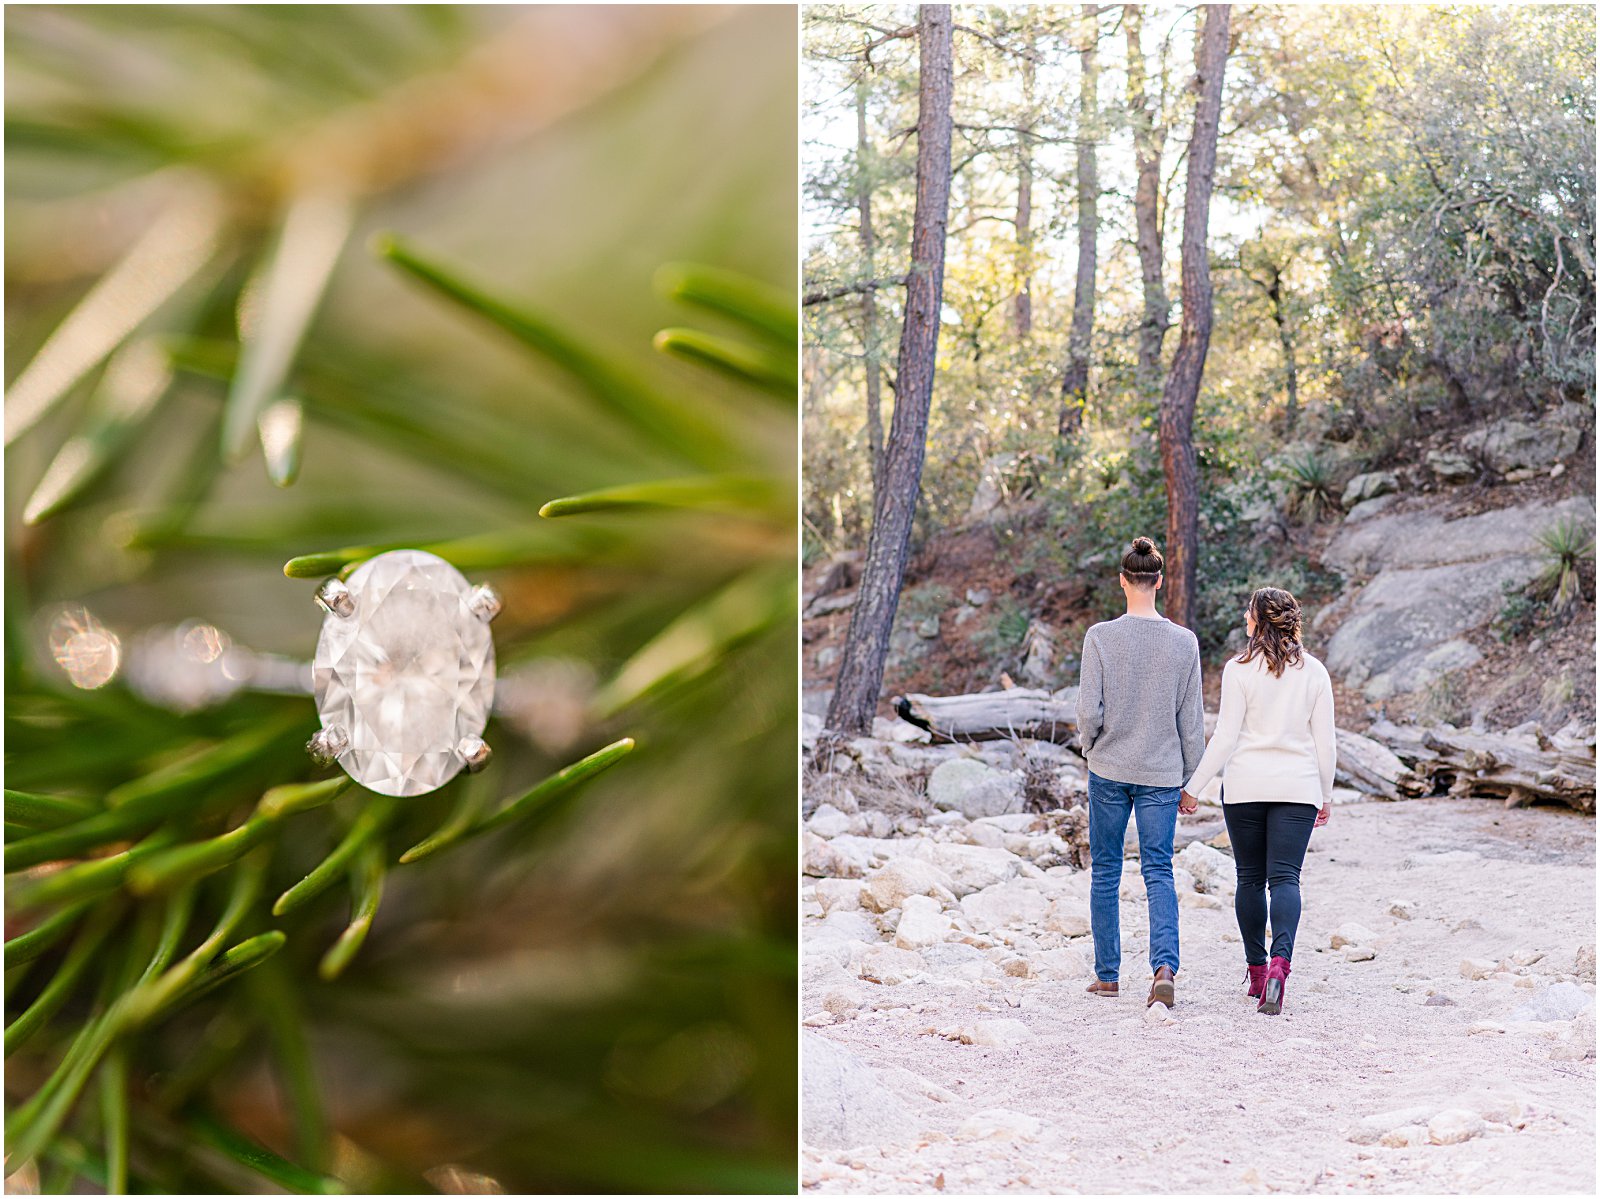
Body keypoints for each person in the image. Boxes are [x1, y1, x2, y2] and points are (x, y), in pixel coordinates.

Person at [1181, 586, 1335, 1016]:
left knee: (1249, 878)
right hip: (1298, 788)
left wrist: (1194, 787)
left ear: (1259, 621)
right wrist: (1326, 794)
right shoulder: (1315, 672)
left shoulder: (1238, 669)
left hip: (1246, 786)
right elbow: (1326, 742)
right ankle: (1281, 966)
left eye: (1248, 614)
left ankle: (1257, 972)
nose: (1245, 619)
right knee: (1285, 879)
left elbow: (1226, 736)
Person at [1076, 536, 1205, 1009]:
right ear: (1160, 581)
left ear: (1123, 581)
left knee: (1106, 871)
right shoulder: (1183, 642)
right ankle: (1164, 969)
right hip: (1162, 772)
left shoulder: (1100, 637)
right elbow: (1191, 720)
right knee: (1159, 871)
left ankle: (1108, 976)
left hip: (1109, 768)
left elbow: (1089, 711)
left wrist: (1091, 747)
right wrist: (1192, 781)